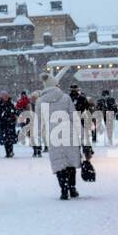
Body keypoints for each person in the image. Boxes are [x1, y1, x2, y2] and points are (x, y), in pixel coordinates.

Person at [39, 71, 82, 199]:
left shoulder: (40, 101)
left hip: (53, 135)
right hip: (68, 132)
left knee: (59, 163)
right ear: (56, 85)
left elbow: (39, 121)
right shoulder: (66, 98)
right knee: (70, 161)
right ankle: (72, 189)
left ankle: (64, 189)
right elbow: (74, 117)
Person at [0, 91, 18, 158]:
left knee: (10, 139)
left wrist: (14, 117)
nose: (6, 97)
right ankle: (8, 152)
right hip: (3, 125)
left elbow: (14, 111)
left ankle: (11, 152)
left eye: (7, 96)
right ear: (2, 97)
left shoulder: (10, 104)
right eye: (5, 96)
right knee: (6, 139)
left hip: (11, 124)